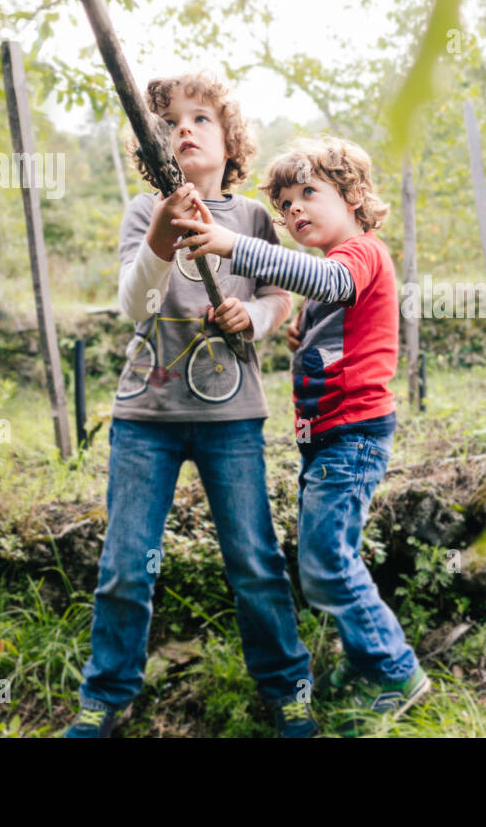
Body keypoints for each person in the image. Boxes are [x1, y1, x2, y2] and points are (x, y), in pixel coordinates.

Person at [64, 72, 319, 738]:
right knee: (125, 563)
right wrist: (158, 238)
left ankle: (287, 690)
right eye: (171, 122)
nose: (184, 128)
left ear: (231, 143)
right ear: (154, 148)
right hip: (144, 418)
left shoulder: (252, 220)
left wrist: (253, 318)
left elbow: (278, 298)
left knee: (254, 561)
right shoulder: (143, 213)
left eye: (201, 118)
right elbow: (134, 306)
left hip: (230, 417)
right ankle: (106, 697)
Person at [172, 135, 430, 727]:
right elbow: (330, 313)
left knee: (326, 563)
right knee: (324, 561)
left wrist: (234, 244)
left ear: (355, 199)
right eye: (285, 203)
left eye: (310, 193)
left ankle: (394, 667)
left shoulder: (361, 254)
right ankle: (367, 657)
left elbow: (329, 283)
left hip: (353, 434)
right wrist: (300, 337)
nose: (295, 211)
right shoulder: (329, 276)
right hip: (325, 439)